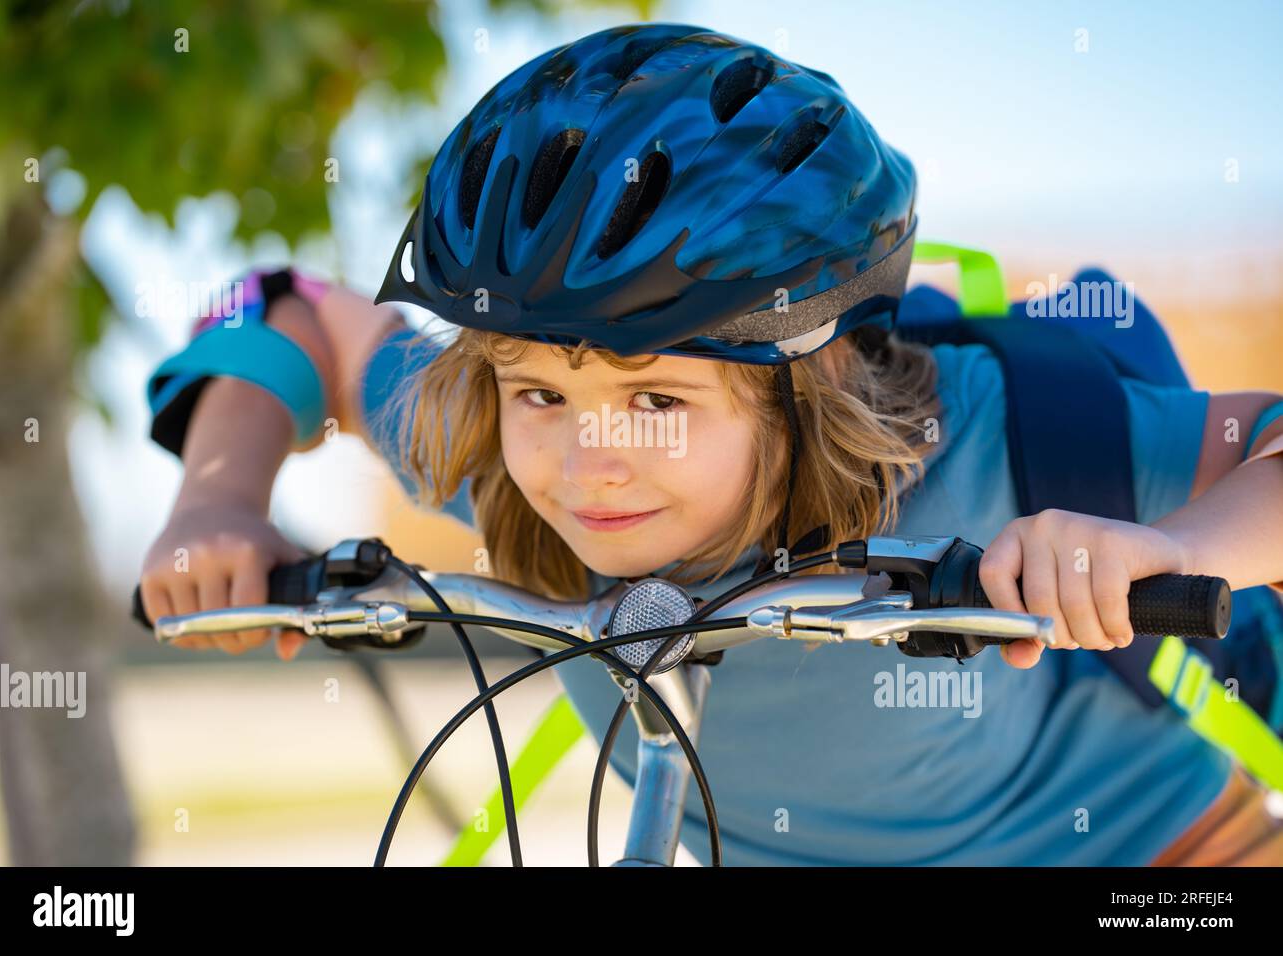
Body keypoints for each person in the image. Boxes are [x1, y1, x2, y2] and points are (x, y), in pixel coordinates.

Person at [138, 24, 1283, 865]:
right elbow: (270, 294)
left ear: (809, 381)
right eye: (535, 390)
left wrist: (1174, 544)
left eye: (658, 403)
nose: (587, 462)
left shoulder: (994, 443)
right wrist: (218, 497)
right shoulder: (498, 462)